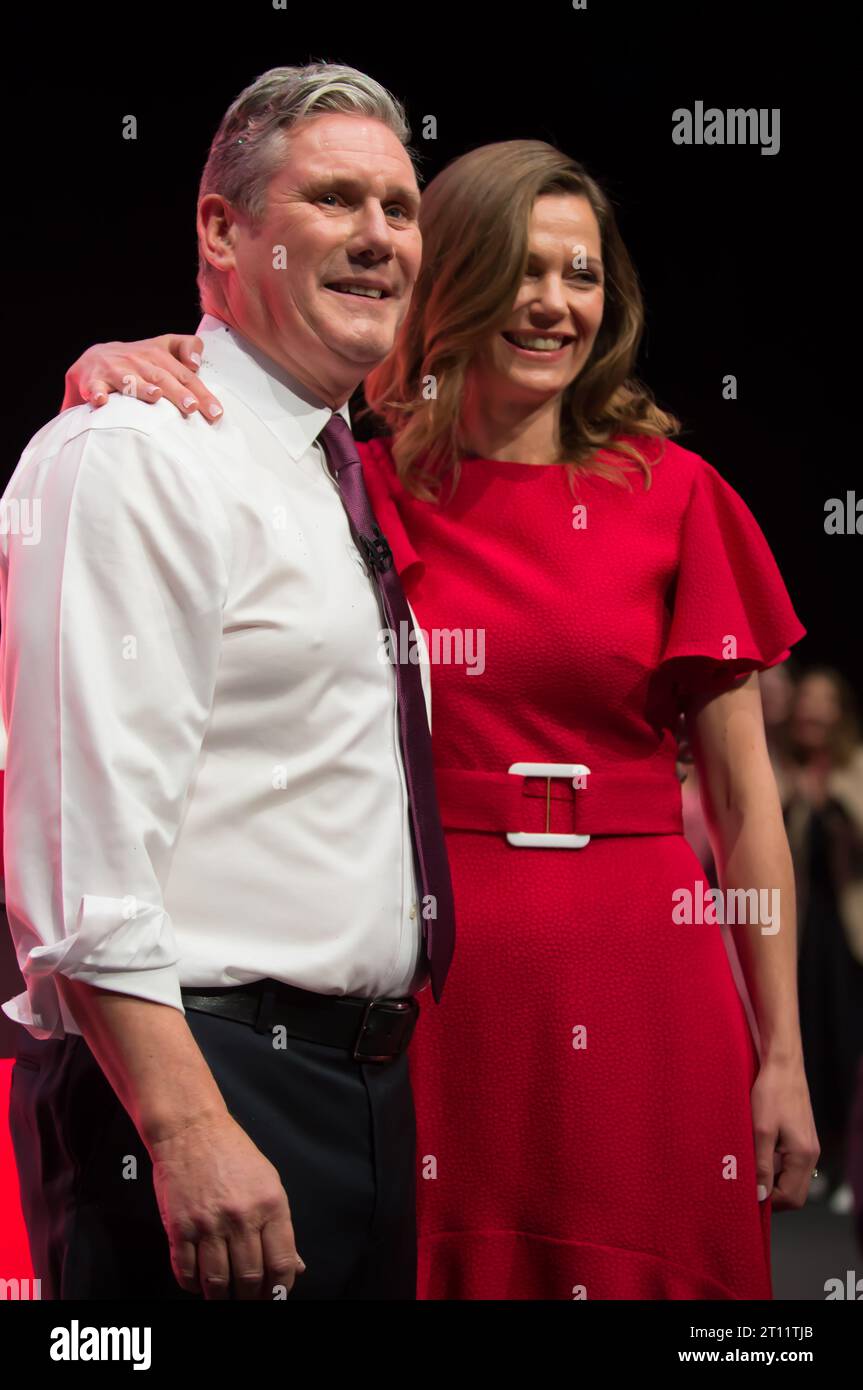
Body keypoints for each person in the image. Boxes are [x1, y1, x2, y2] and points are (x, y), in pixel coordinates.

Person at [63, 136, 819, 1300]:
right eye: (520, 267)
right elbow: (226, 414)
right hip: (433, 989)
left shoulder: (678, 495)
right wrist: (118, 359)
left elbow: (745, 814)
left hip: (642, 982)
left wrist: (782, 1057)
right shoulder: (351, 477)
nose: (553, 302)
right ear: (444, 277)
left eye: (581, 273)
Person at [0, 63, 457, 1301]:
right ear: (220, 229)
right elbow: (79, 847)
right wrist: (188, 1126)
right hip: (202, 1089)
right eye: (335, 200)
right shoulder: (133, 454)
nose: (378, 237)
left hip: (351, 1088)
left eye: (399, 209)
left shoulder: (335, 466)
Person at [785, 668, 863, 1210]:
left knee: (846, 1042)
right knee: (807, 1039)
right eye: (805, 699)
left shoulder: (853, 767)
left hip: (849, 929)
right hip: (801, 930)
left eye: (823, 701)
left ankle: (850, 1168)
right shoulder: (781, 770)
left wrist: (834, 793)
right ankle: (815, 1162)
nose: (811, 710)